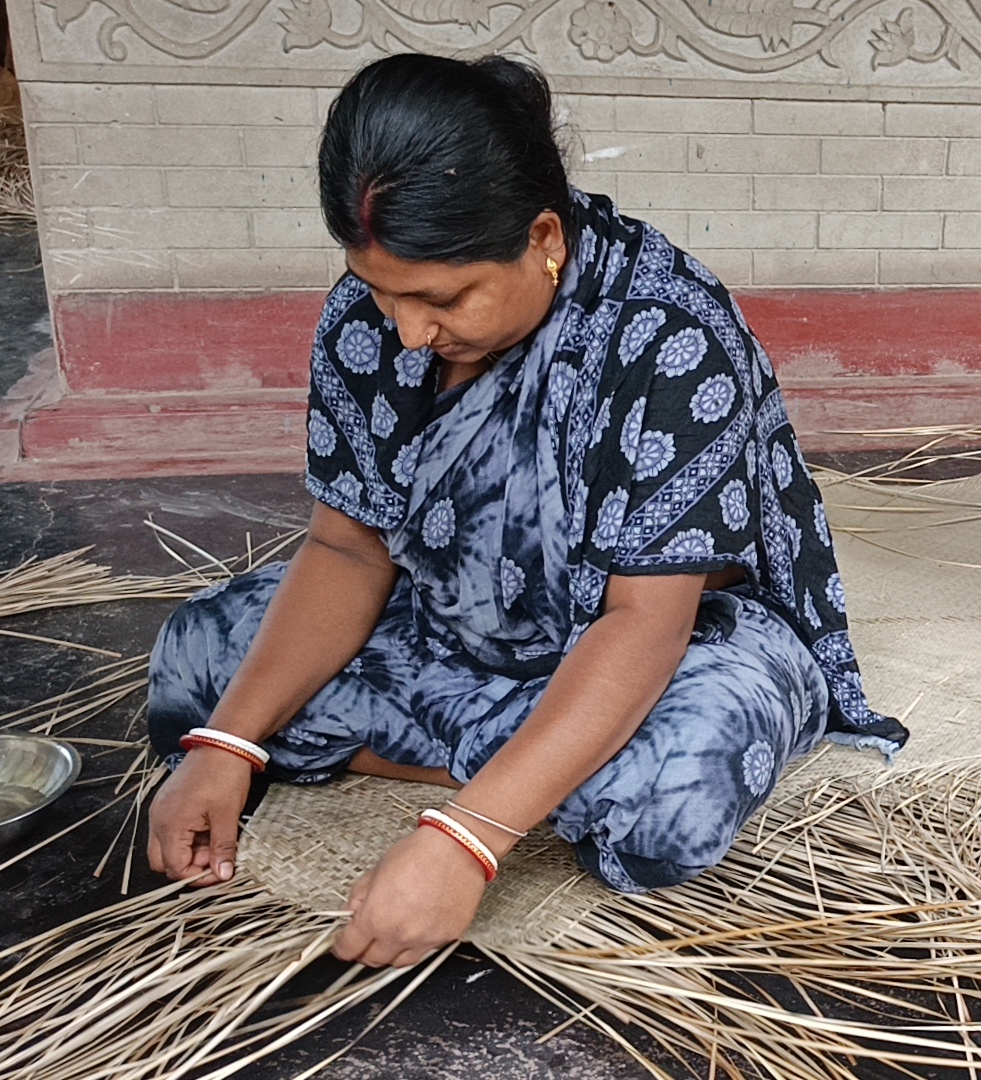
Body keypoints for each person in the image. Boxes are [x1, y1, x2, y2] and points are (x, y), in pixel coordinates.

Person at [142, 54, 907, 970]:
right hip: (453, 620)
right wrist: (227, 743)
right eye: (382, 292)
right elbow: (347, 551)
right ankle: (545, 766)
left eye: (441, 298)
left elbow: (643, 623)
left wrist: (466, 838)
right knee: (193, 666)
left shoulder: (665, 336)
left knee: (677, 791)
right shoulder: (367, 319)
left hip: (665, 640)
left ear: (544, 237)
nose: (407, 333)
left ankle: (508, 765)